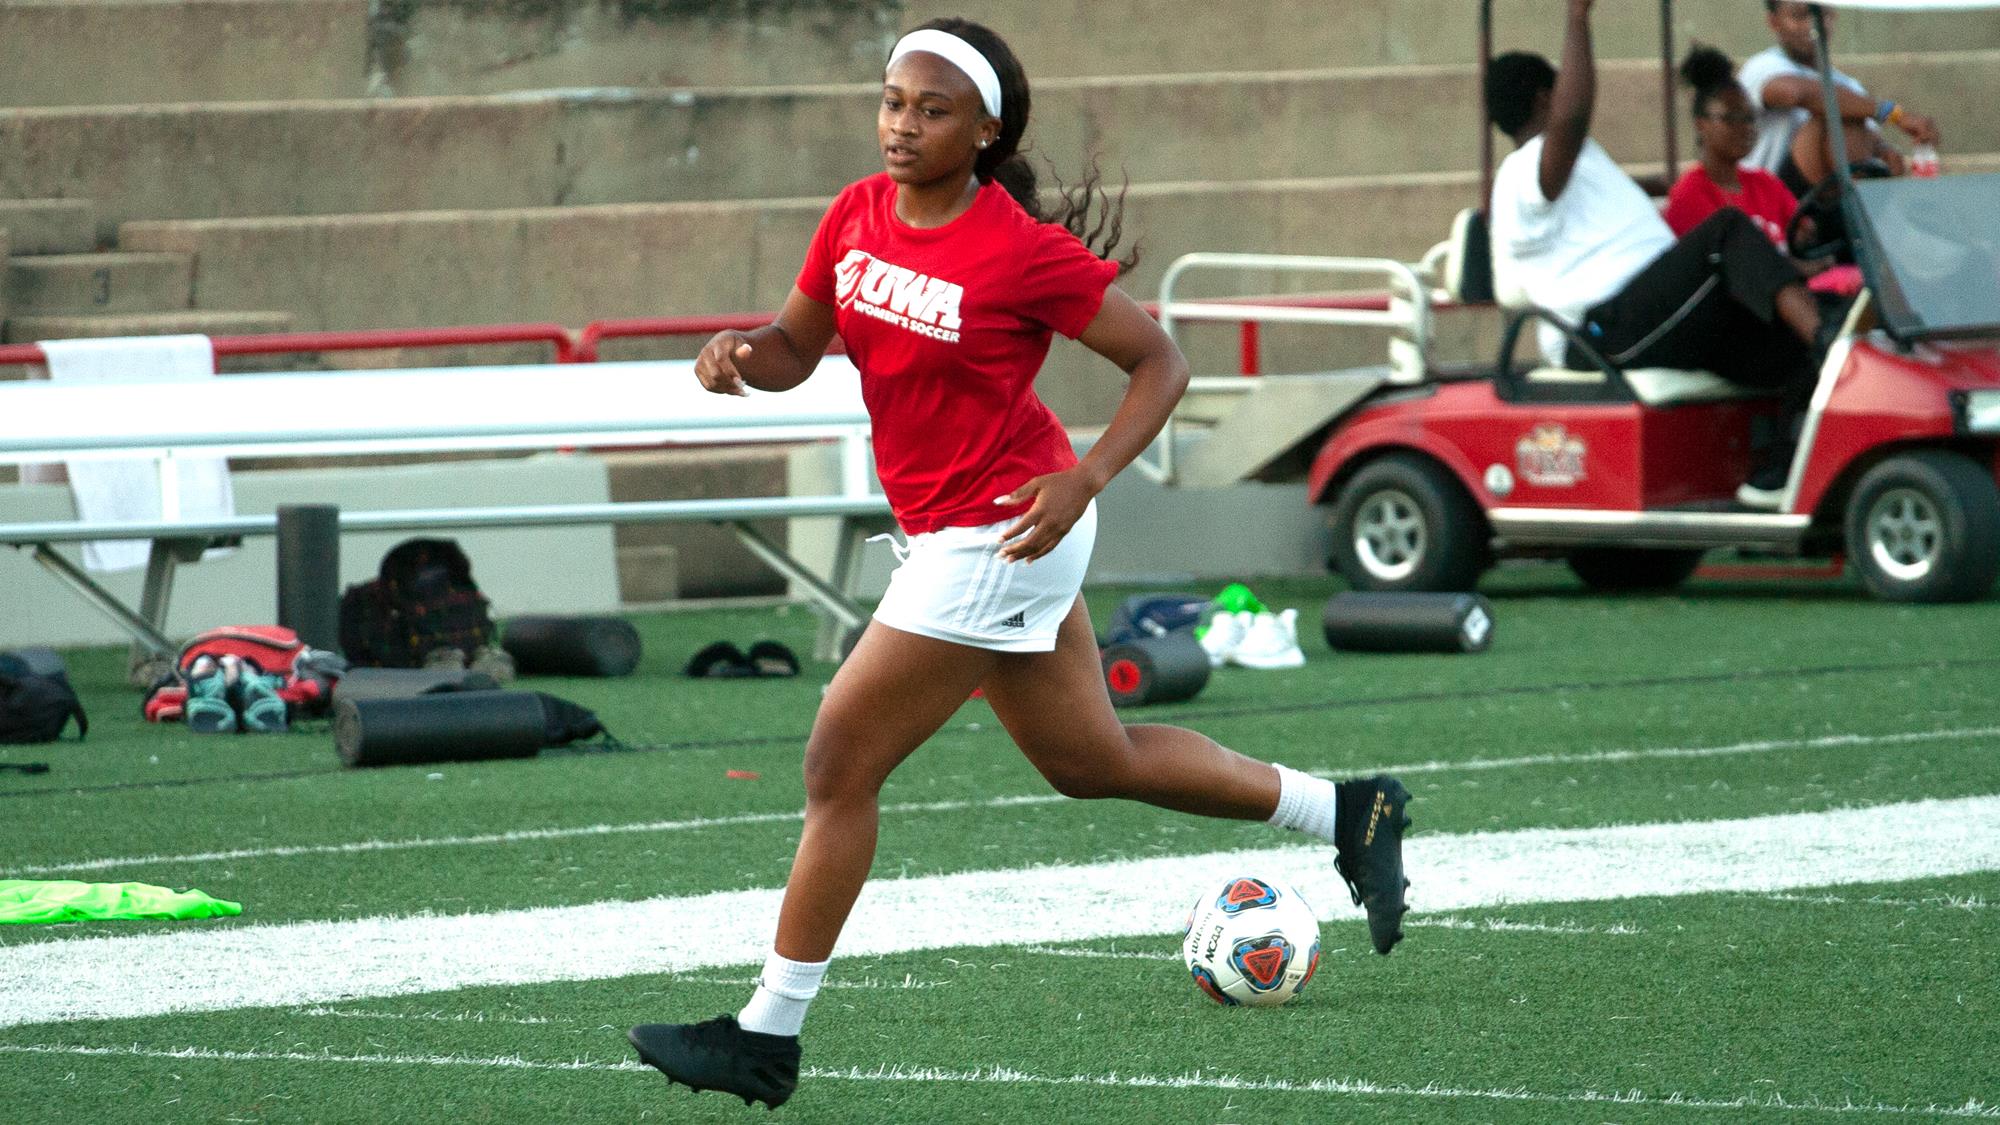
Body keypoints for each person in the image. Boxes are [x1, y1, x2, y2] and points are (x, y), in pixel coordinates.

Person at [625, 18, 1413, 1111]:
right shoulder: (854, 213)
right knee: (1090, 761)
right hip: (958, 533)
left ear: (986, 132)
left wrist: (1086, 477)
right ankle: (1347, 812)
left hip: (1000, 531)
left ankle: (766, 1034)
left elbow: (1160, 362)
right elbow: (796, 346)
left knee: (837, 765)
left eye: (932, 109)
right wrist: (741, 357)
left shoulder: (1019, 249)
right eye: (893, 101)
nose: (903, 124)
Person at [1485, 0, 1825, 510]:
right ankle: (1836, 353)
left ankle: (1778, 469)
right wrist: (1577, 17)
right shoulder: (1522, 172)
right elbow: (1571, 119)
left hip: (1660, 314)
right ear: (1545, 98)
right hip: (1602, 331)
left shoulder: (1567, 166)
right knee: (1726, 231)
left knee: (1788, 338)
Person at [1740, 1, 1939, 195]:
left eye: (1822, 14)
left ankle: (1853, 208)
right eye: (1799, 16)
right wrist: (1893, 114)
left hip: (1828, 193)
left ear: (1834, 16)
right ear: (1774, 22)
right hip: (1769, 196)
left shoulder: (1848, 85)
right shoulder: (1762, 67)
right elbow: (1794, 94)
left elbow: (1868, 138)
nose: (1812, 25)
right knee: (1834, 115)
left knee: (1855, 124)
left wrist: (1885, 152)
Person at [1665, 45, 1800, 246]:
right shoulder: (1690, 194)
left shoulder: (1765, 184)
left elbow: (1804, 232)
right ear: (1701, 124)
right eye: (1731, 118)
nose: (1746, 127)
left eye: (1749, 118)